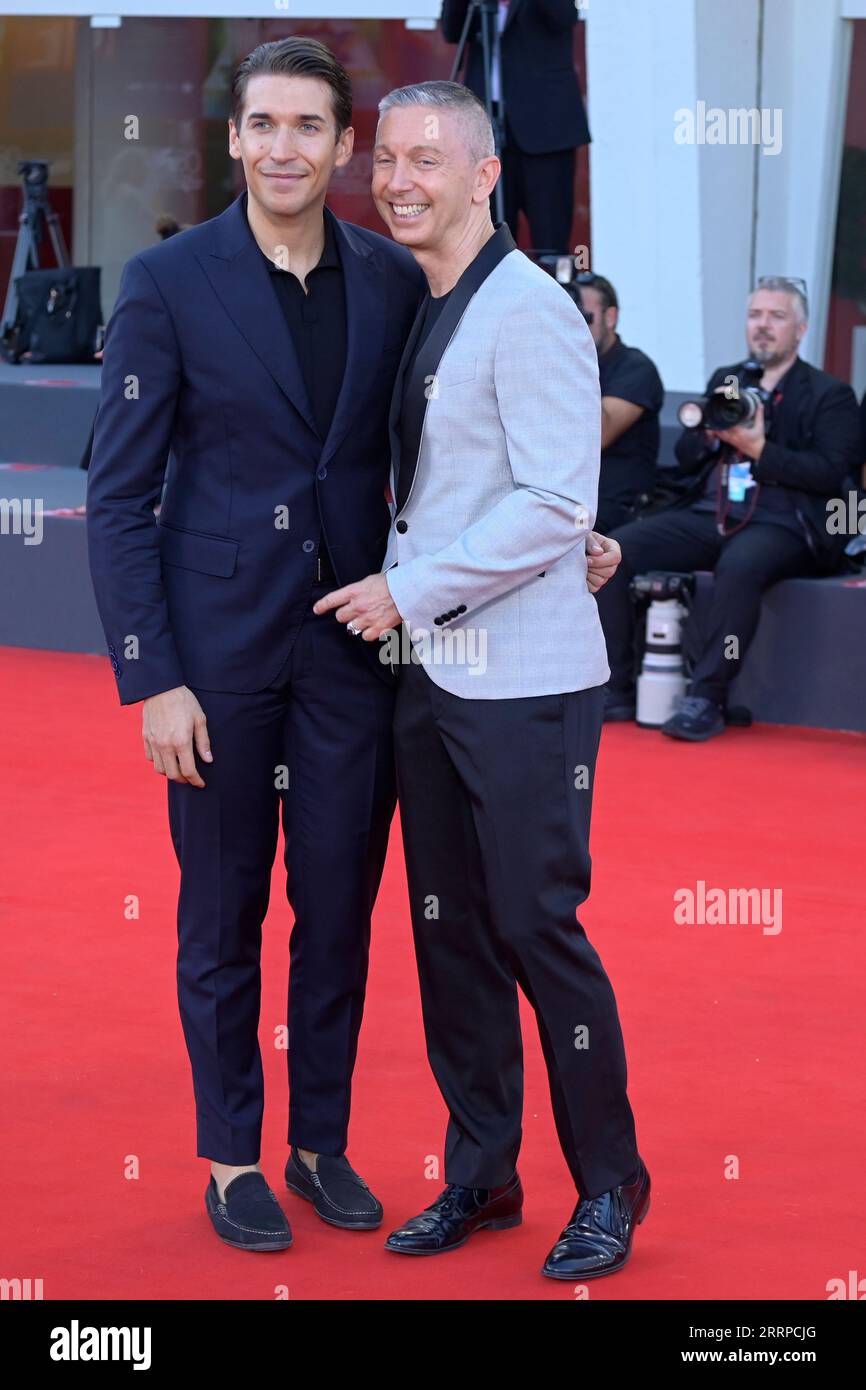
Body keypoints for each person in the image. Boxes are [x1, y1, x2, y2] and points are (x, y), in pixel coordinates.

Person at [87, 38, 622, 1256]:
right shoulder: (167, 282)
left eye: (310, 128)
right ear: (233, 140)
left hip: (362, 654)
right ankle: (233, 1156)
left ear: (340, 147)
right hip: (216, 666)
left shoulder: (395, 282)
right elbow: (117, 500)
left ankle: (317, 1142)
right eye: (261, 124)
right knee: (219, 917)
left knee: (338, 913)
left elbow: (453, 462)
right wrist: (151, 677)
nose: (285, 147)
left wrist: (567, 538)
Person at [315, 80, 649, 1282]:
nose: (396, 178)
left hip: (523, 683)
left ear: (483, 174)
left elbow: (560, 500)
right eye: (386, 158)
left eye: (424, 159)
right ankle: (482, 1171)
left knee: (530, 928)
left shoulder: (530, 309)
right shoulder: (428, 300)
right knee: (447, 936)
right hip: (429, 680)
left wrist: (410, 590)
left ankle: (610, 1182)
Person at [596, 276, 863, 741]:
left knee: (739, 565)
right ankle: (614, 687)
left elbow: (830, 472)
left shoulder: (828, 394)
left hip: (783, 521)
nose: (763, 326)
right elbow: (685, 457)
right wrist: (708, 434)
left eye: (776, 317)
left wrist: (759, 448)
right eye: (755, 315)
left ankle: (707, 696)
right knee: (617, 548)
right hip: (712, 512)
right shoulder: (729, 380)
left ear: (800, 330)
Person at [440, 0, 589, 252]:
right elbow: (452, 30)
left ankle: (553, 289)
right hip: (484, 120)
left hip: (546, 125)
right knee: (489, 238)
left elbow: (563, 16)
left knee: (550, 238)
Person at [567, 272, 664, 532]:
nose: (573, 325)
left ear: (610, 317)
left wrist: (570, 355)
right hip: (562, 497)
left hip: (614, 504)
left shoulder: (636, 368)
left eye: (582, 316)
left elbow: (598, 434)